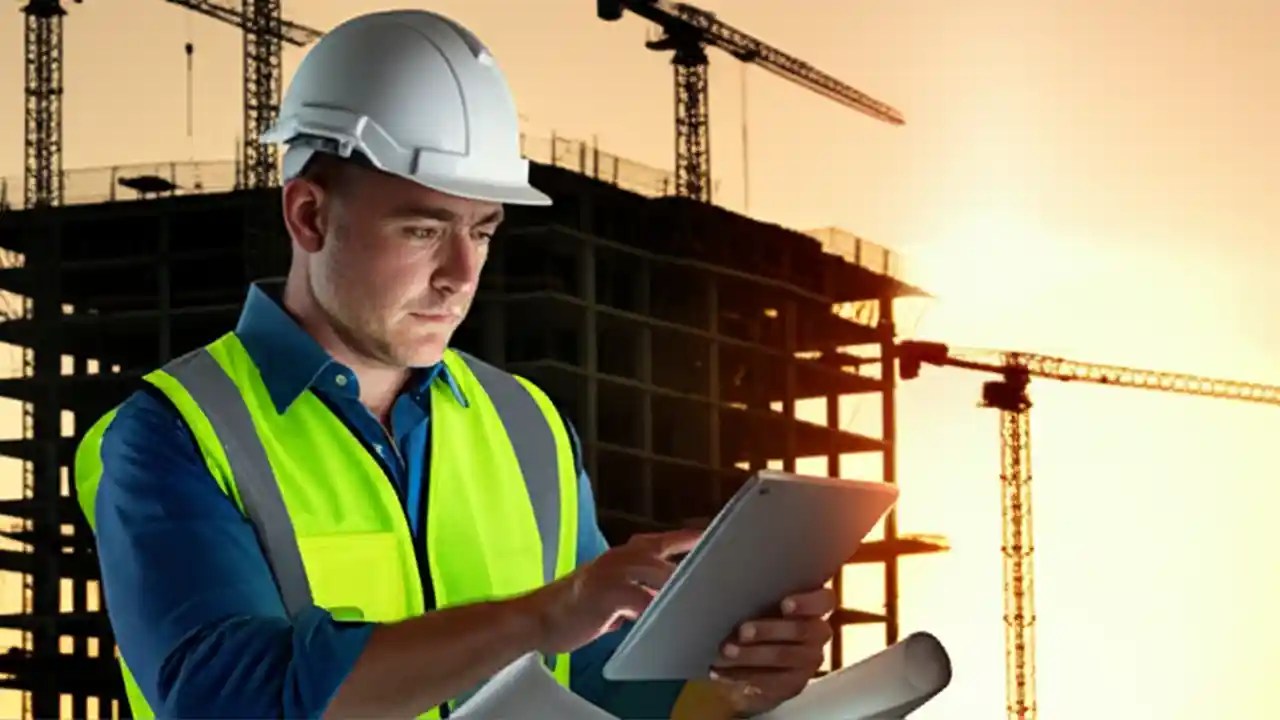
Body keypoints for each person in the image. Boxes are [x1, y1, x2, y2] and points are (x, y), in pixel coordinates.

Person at [73, 9, 833, 719]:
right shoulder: (171, 435)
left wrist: (736, 680)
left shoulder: (526, 426)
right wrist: (544, 614)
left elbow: (608, 684)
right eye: (422, 229)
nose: (461, 274)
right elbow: (229, 696)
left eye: (484, 231)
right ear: (309, 215)